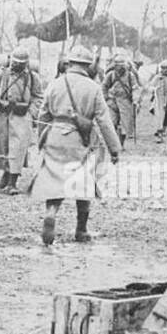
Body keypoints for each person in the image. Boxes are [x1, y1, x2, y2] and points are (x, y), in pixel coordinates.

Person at [31, 45, 121, 245]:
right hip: (80, 139)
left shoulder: (55, 84)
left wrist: (41, 140)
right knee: (84, 183)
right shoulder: (93, 88)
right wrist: (114, 149)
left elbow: (43, 115)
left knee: (55, 181)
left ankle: (51, 213)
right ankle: (81, 230)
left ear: (69, 63)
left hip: (55, 136)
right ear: (88, 66)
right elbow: (104, 121)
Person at [0, 45, 43, 194]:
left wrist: (31, 113)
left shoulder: (33, 77)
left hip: (22, 117)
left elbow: (38, 96)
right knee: (4, 147)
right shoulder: (2, 74)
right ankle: (7, 173)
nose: (17, 65)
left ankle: (12, 183)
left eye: (21, 63)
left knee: (17, 149)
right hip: (3, 115)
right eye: (15, 62)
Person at [102, 51, 138, 149]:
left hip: (125, 102)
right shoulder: (111, 75)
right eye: (118, 65)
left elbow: (135, 88)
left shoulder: (130, 76)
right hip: (112, 101)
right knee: (112, 123)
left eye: (122, 65)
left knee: (125, 125)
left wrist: (135, 99)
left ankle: (120, 145)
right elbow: (104, 86)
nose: (120, 67)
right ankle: (114, 143)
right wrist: (106, 98)